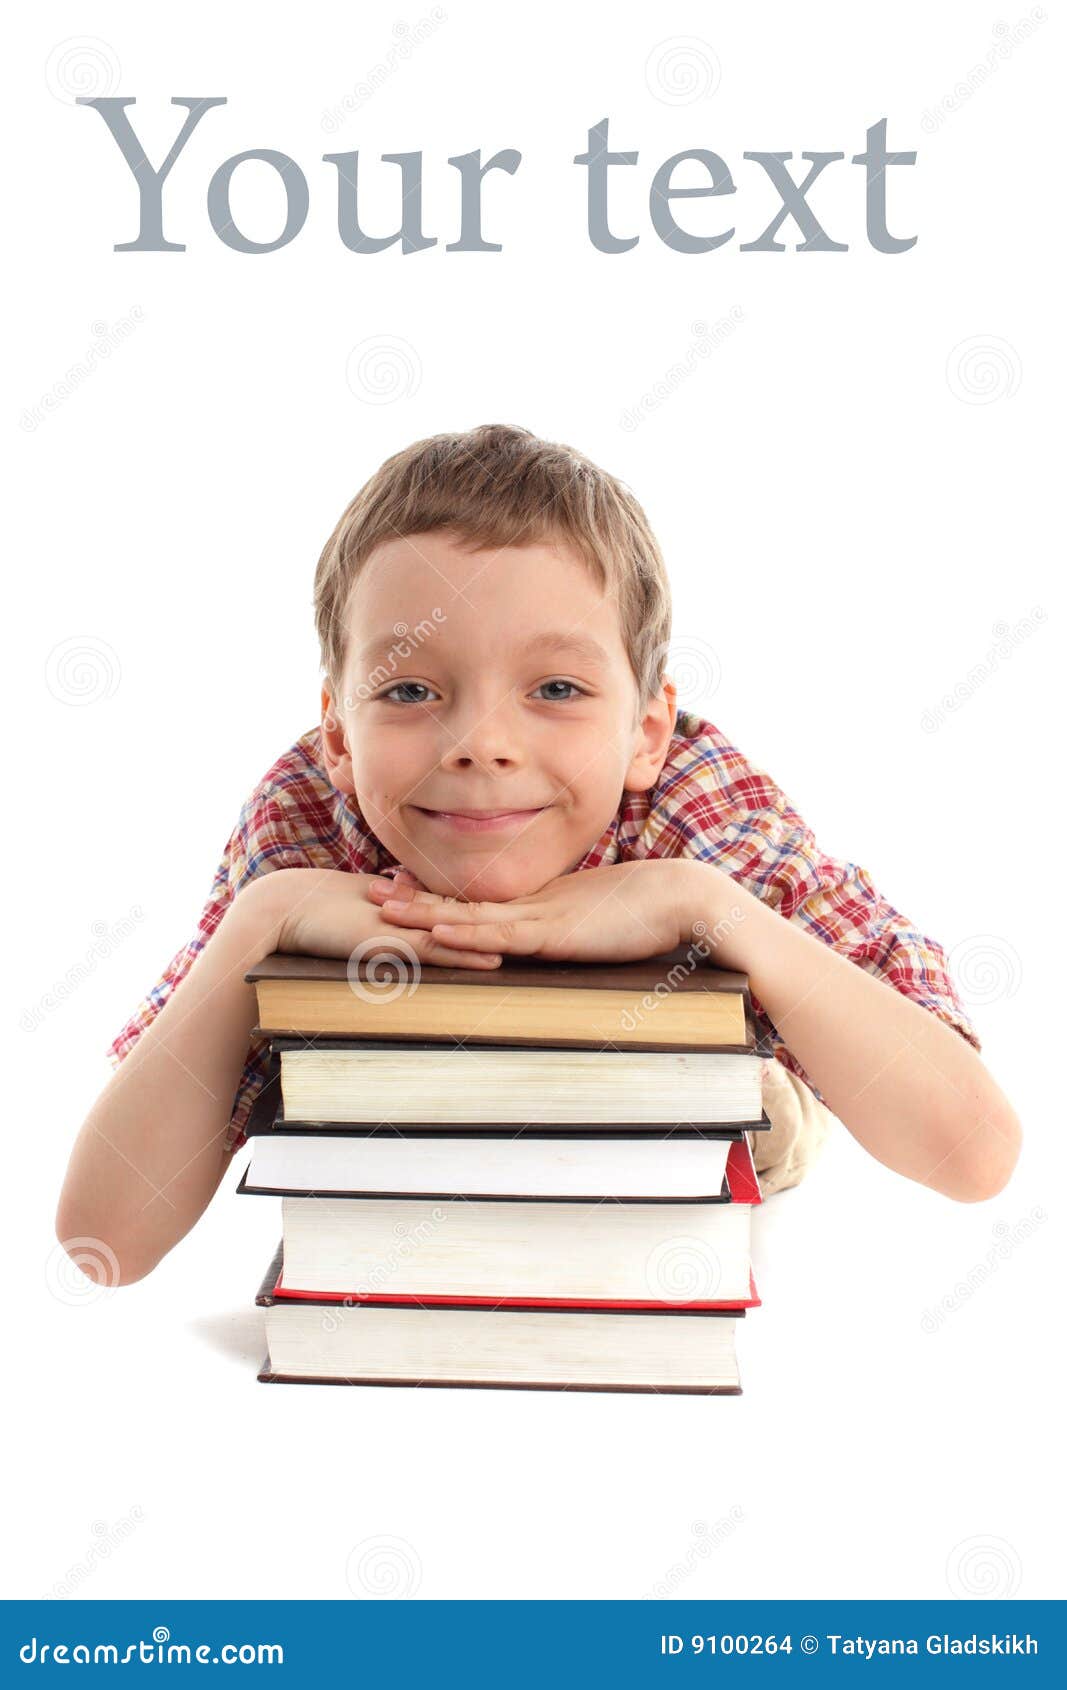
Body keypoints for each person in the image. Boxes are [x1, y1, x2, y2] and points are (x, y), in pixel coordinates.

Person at [55, 424, 1021, 1284]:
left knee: (773, 1105)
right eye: (407, 691)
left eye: (555, 689)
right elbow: (105, 1240)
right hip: (408, 1119)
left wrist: (703, 906)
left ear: (646, 732)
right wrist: (259, 921)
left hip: (693, 1073)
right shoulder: (306, 817)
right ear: (338, 737)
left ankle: (761, 1100)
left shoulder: (694, 806)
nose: (481, 742)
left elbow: (974, 1157)